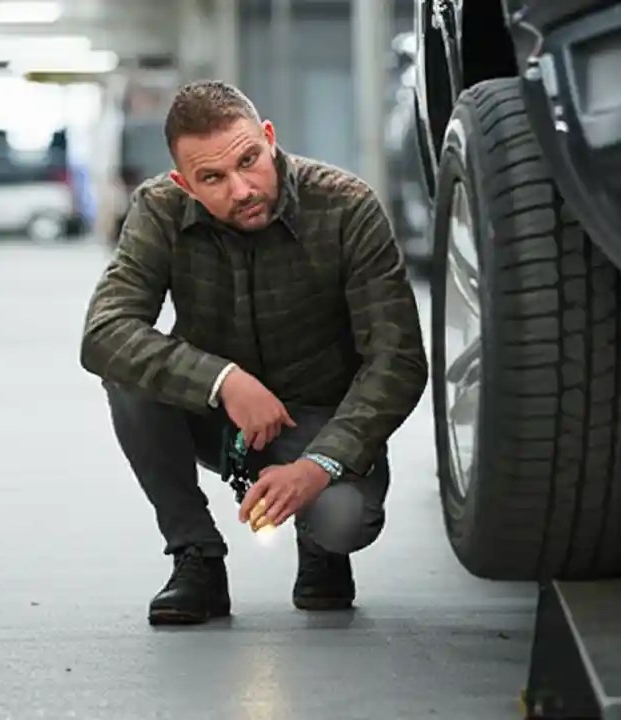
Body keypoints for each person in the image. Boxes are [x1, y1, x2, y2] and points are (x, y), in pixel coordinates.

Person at [79, 80, 428, 625]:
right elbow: (105, 331)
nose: (241, 189)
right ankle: (196, 557)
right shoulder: (161, 209)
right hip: (218, 418)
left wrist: (319, 464)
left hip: (318, 424)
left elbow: (398, 358)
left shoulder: (345, 206)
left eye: (249, 161)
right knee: (126, 375)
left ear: (268, 139)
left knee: (343, 520)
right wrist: (223, 381)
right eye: (213, 178)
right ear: (184, 184)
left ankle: (322, 549)